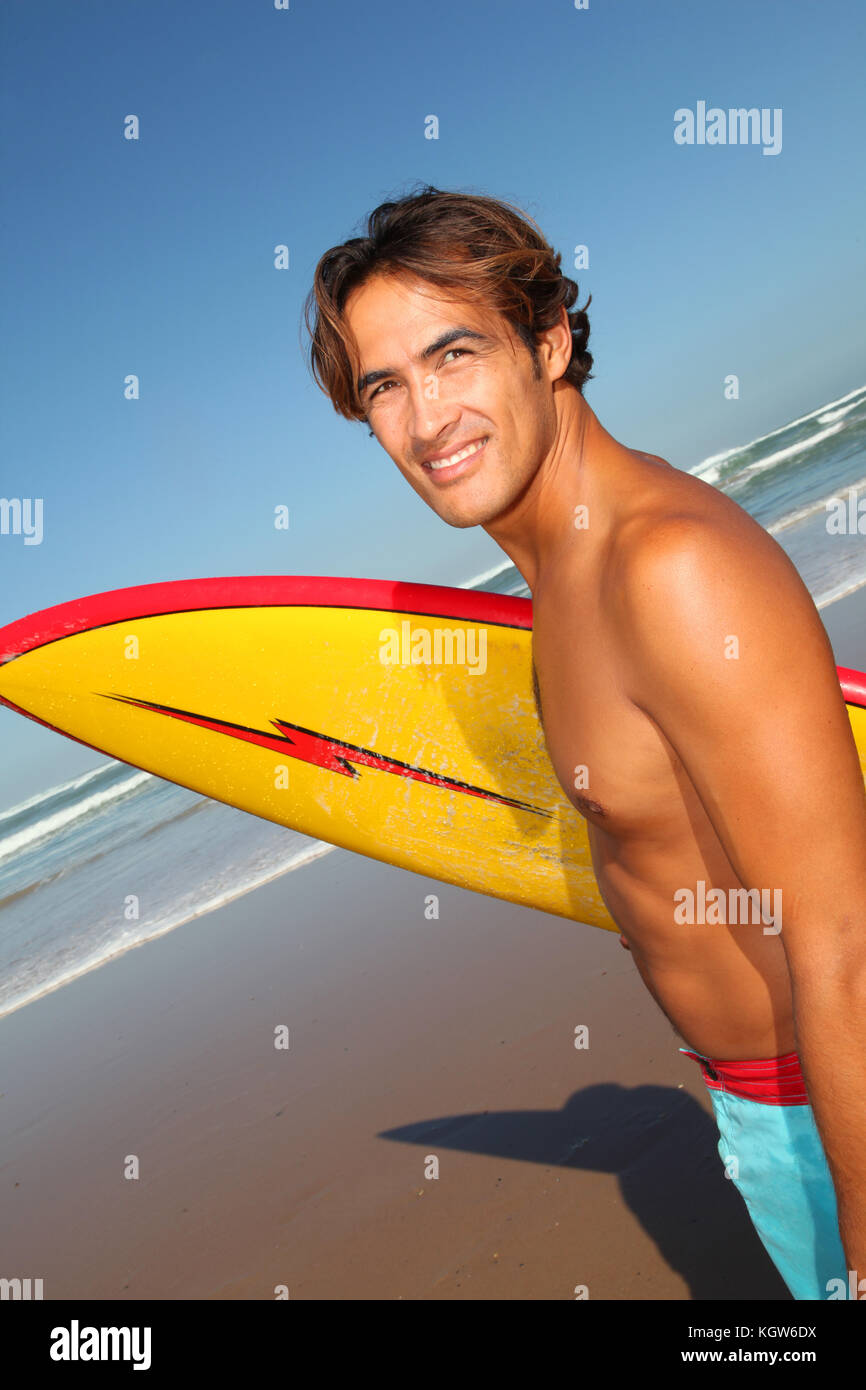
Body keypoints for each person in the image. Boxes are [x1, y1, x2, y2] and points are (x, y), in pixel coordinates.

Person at [303, 184, 866, 1300]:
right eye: (385, 385)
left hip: (821, 1111)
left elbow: (845, 947)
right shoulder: (560, 570)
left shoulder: (667, 570)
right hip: (759, 1101)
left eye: (453, 353)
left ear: (548, 342)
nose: (425, 418)